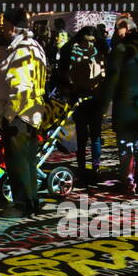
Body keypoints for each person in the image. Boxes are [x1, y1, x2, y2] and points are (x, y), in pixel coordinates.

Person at [0, 6, 48, 217]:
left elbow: (20, 85)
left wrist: (8, 116)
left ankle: (21, 205)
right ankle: (31, 200)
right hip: (33, 111)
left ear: (13, 26)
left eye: (5, 25)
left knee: (17, 161)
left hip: (19, 112)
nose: (3, 30)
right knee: (29, 160)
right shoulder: (35, 47)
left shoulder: (21, 50)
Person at [103, 18, 138, 195]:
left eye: (118, 28)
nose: (116, 32)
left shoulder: (121, 49)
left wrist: (105, 102)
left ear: (125, 28)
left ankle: (128, 181)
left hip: (126, 102)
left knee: (125, 144)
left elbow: (113, 77)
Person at [58, 25, 107, 186]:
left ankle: (93, 167)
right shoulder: (93, 53)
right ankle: (87, 168)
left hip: (92, 99)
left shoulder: (77, 51)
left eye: (92, 41)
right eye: (88, 41)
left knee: (94, 136)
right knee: (86, 137)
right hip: (85, 98)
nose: (90, 44)